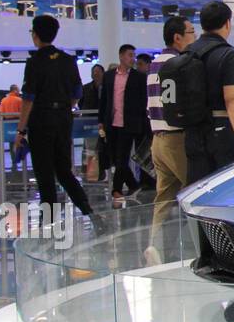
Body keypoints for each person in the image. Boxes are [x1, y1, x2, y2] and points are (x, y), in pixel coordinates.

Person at [13, 15, 103, 231]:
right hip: (63, 120)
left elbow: (28, 99)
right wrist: (64, 108)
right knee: (64, 171)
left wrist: (20, 130)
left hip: (41, 121)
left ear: (36, 35)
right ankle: (89, 212)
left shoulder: (34, 62)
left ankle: (50, 225)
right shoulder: (67, 60)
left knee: (45, 173)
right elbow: (77, 93)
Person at [145, 15, 196, 264]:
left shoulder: (154, 64)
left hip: (157, 140)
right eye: (190, 32)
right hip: (176, 139)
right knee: (198, 192)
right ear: (177, 37)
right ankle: (204, 249)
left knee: (162, 199)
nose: (193, 37)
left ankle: (154, 248)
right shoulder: (179, 64)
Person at [183, 0, 234, 183]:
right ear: (227, 23)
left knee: (197, 188)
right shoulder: (228, 54)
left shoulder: (188, 51)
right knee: (224, 187)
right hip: (220, 131)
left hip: (193, 130)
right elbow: (231, 99)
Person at [99, 43, 150, 201]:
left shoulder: (139, 77)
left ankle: (116, 189)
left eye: (133, 55)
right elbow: (105, 100)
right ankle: (133, 184)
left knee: (122, 157)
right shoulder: (108, 76)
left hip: (129, 123)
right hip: (112, 123)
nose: (132, 58)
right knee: (114, 157)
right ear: (121, 56)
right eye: (130, 55)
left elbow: (143, 101)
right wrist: (101, 121)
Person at [79, 63, 108, 180]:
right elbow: (81, 103)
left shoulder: (106, 87)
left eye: (98, 71)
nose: (96, 74)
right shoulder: (85, 88)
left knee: (102, 148)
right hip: (90, 121)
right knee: (90, 148)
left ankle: (101, 172)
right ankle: (91, 174)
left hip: (104, 122)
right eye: (94, 71)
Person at [0, 85, 27, 172]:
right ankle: (22, 159)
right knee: (22, 141)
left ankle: (14, 161)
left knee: (11, 143)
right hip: (18, 124)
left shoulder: (4, 100)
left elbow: (1, 112)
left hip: (7, 125)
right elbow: (23, 112)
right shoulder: (19, 100)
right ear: (14, 90)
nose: (19, 92)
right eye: (18, 90)